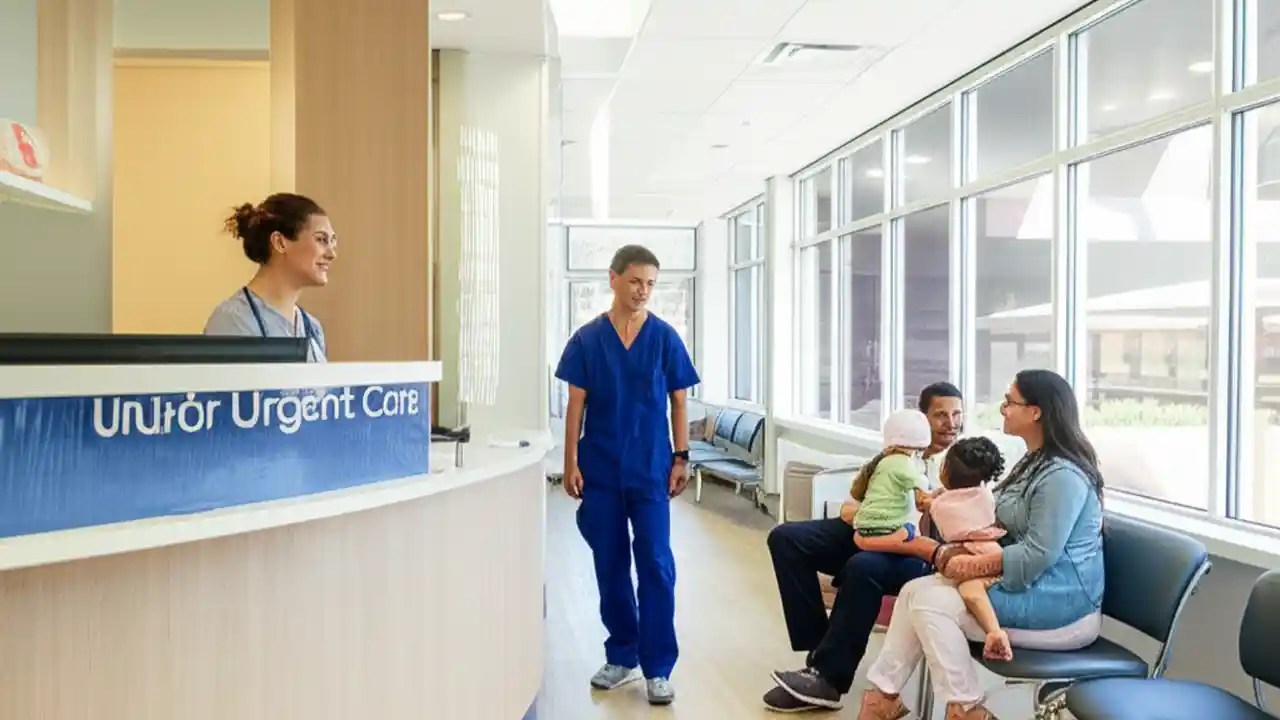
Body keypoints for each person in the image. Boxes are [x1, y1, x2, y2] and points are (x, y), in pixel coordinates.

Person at [845, 369, 1105, 720]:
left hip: (1061, 605)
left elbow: (1038, 555)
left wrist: (965, 564)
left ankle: (964, 710)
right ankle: (883, 700)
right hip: (1030, 588)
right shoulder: (1034, 463)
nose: (1002, 408)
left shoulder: (1063, 477)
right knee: (912, 591)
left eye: (1010, 402)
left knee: (931, 603)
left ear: (1036, 412)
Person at [555, 244, 700, 707]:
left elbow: (679, 401)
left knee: (656, 562)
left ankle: (658, 667)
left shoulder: (664, 338)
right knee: (610, 561)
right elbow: (576, 405)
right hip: (600, 468)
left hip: (650, 468)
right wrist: (570, 462)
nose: (643, 291)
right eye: (636, 281)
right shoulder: (586, 339)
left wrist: (681, 457)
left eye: (651, 284)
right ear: (613, 278)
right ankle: (622, 654)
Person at [763, 382, 964, 713]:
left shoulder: (961, 463)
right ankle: (820, 652)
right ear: (920, 418)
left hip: (919, 551)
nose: (951, 423)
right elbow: (849, 508)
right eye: (941, 415)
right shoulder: (892, 456)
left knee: (864, 566)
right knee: (786, 539)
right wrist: (872, 525)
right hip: (873, 531)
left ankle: (828, 679)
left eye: (957, 415)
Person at [204, 193, 337, 363]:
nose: (331, 254)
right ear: (279, 243)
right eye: (321, 239)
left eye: (332, 241)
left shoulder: (313, 328)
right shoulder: (233, 321)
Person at [925, 437, 1011, 662]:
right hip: (992, 547)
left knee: (970, 591)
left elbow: (946, 531)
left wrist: (931, 503)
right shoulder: (985, 495)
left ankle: (994, 632)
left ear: (945, 471)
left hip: (976, 554)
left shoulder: (941, 506)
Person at [848, 409, 940, 562]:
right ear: (918, 449)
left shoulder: (882, 462)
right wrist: (935, 493)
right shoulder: (904, 464)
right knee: (909, 532)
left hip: (863, 526)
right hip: (885, 527)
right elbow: (922, 491)